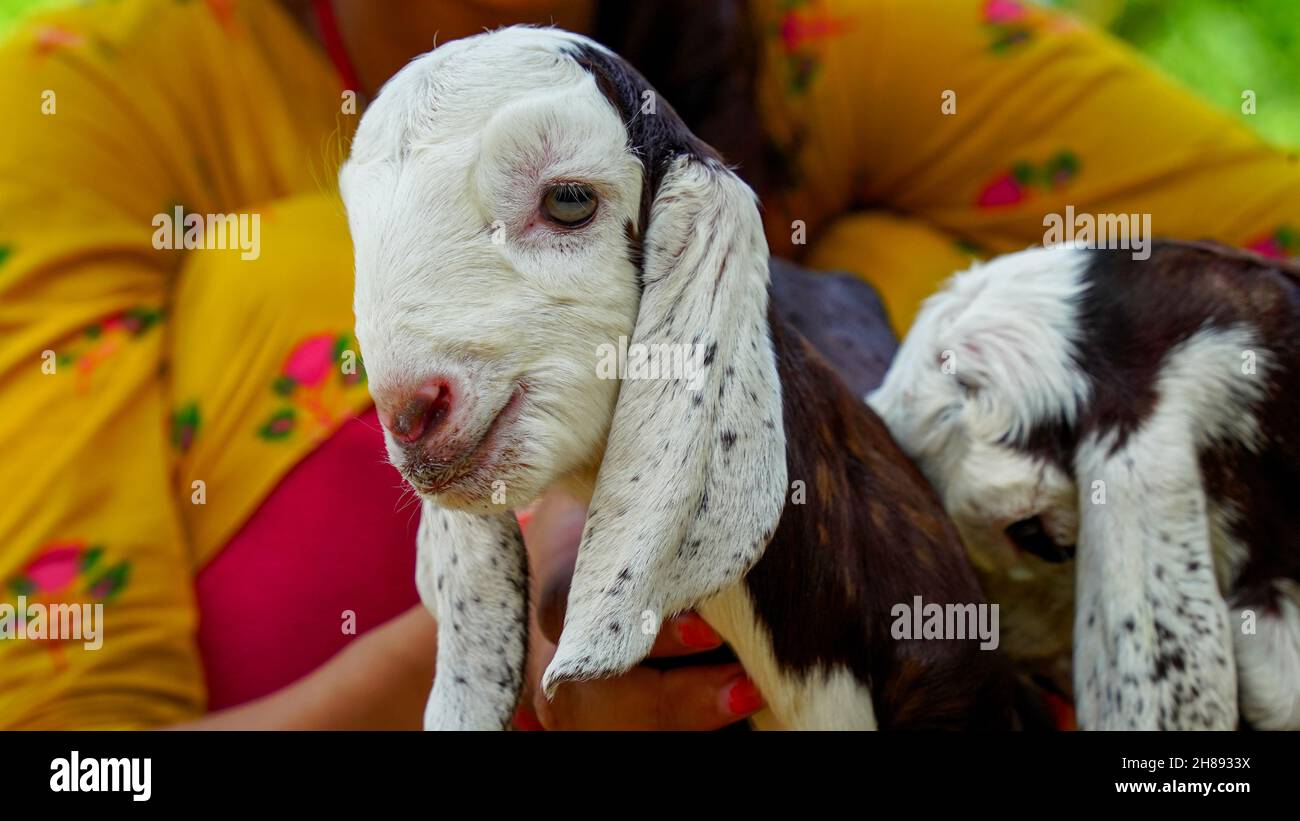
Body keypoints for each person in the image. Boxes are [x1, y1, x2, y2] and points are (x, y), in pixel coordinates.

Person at [1, 0, 1296, 730]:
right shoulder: (96, 98)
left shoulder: (814, 44)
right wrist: (485, 637)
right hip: (396, 668)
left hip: (878, 649)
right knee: (286, 277)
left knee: (913, 277)